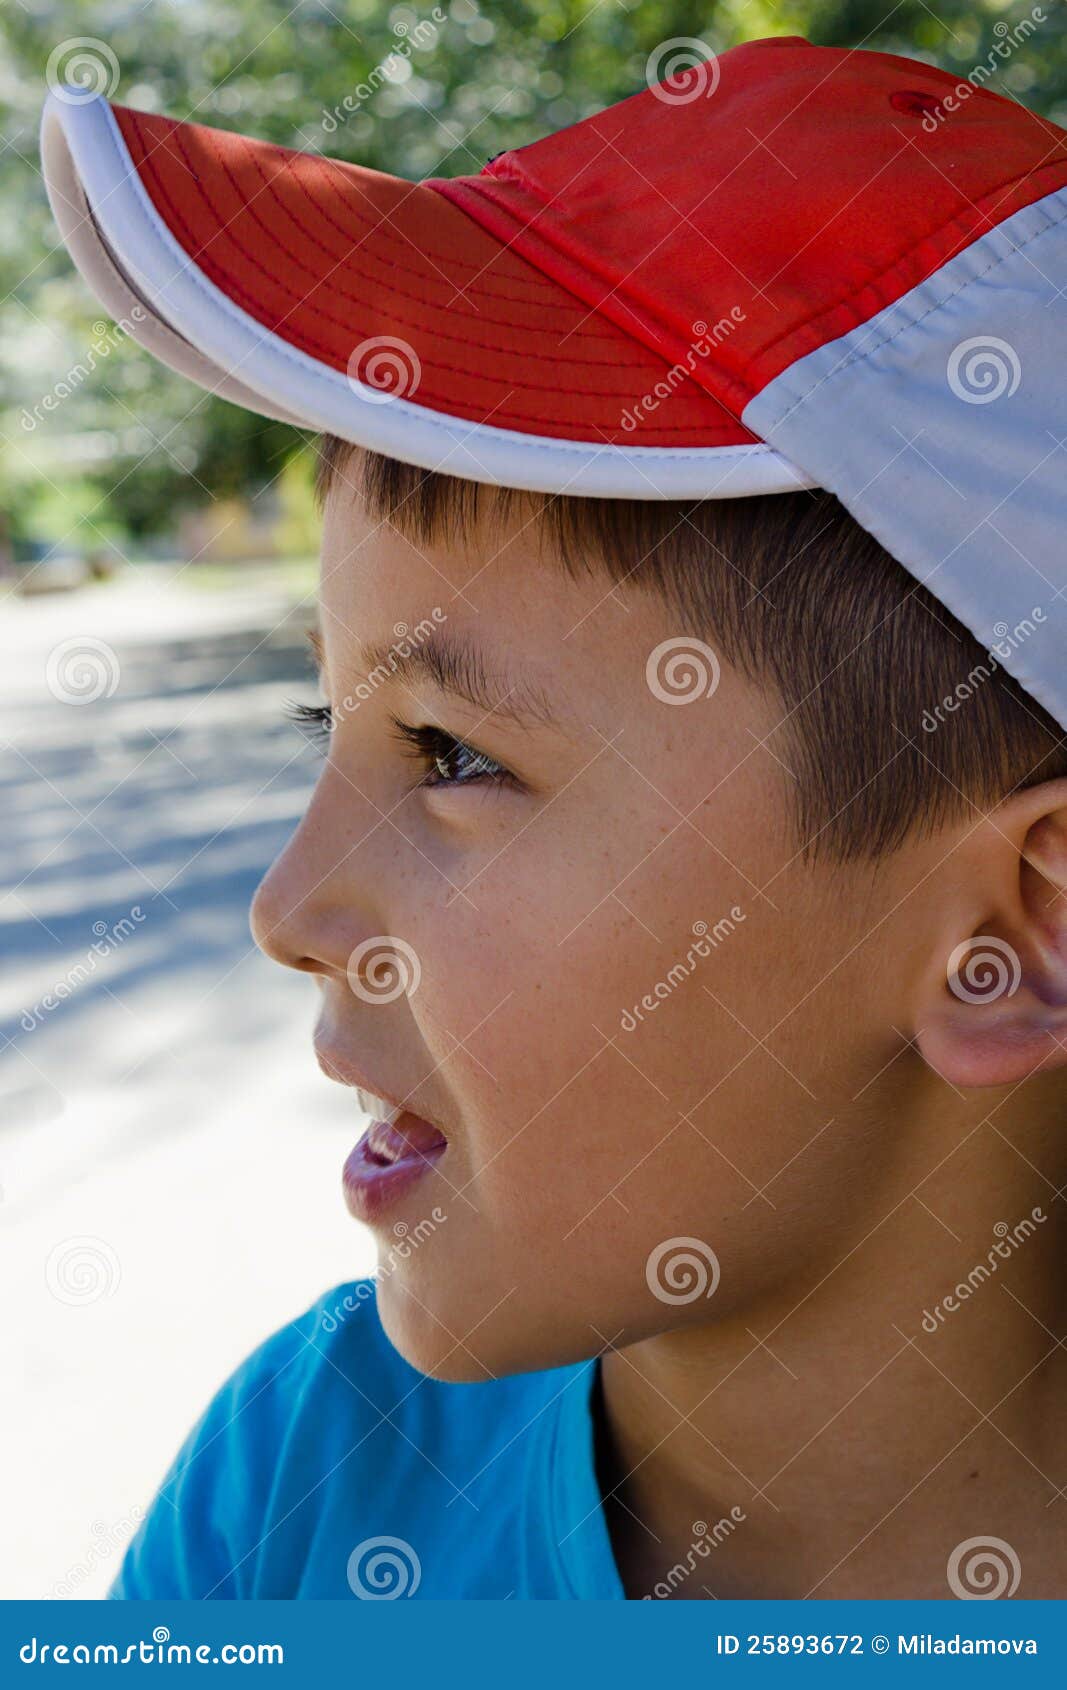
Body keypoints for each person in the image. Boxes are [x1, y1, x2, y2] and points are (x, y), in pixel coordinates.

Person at [40, 33, 1067, 1599]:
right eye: (330, 725)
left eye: (451, 755)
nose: (287, 908)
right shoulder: (293, 1493)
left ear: (1016, 931)